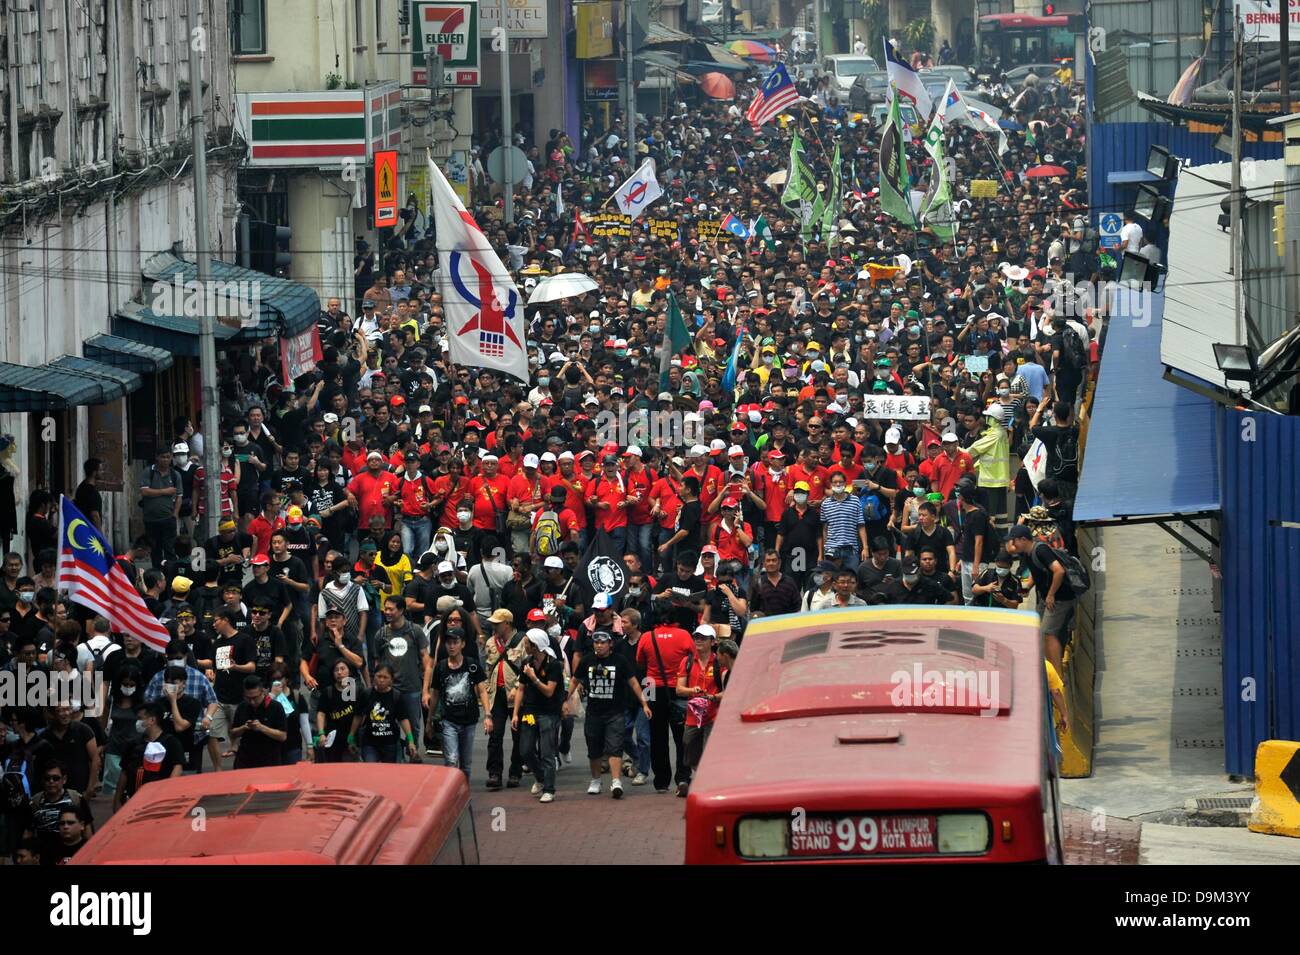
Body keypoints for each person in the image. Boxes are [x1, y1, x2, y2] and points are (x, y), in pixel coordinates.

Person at [568, 630, 651, 799]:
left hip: (615, 713)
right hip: (594, 713)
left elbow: (634, 683)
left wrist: (644, 703)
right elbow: (575, 680)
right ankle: (596, 780)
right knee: (594, 749)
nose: (599, 645)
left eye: (603, 643)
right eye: (596, 643)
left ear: (610, 644)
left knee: (615, 747)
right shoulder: (587, 660)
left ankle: (616, 781)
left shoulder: (620, 661)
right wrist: (565, 699)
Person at [1006, 524, 1077, 677]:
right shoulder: (1026, 552)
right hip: (1047, 597)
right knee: (1039, 631)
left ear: (1023, 539)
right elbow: (1037, 572)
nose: (1012, 545)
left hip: (1060, 598)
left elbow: (1059, 571)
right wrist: (1028, 587)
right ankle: (1047, 667)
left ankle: (1057, 676)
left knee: (1048, 633)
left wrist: (1051, 594)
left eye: (1014, 541)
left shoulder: (1040, 550)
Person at [636, 614, 693, 795]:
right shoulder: (684, 635)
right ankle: (683, 777)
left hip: (651, 686)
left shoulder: (647, 636)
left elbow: (640, 661)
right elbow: (693, 658)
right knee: (681, 737)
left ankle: (661, 781)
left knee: (657, 736)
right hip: (679, 688)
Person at [428, 627, 490, 780]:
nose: (451, 646)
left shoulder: (472, 665)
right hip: (448, 720)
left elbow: (482, 691)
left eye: (455, 642)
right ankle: (450, 795)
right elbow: (435, 694)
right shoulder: (441, 667)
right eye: (448, 642)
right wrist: (429, 720)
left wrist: (488, 715)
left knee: (466, 764)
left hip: (469, 721)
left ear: (462, 644)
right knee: (451, 759)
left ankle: (464, 793)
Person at [512, 629, 563, 803]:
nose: (524, 646)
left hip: (549, 713)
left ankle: (549, 788)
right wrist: (515, 714)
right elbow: (520, 689)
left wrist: (534, 678)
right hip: (530, 713)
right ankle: (540, 777)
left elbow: (549, 691)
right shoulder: (526, 662)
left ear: (535, 646)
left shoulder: (554, 664)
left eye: (527, 643)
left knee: (547, 752)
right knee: (525, 750)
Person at [676, 624, 724, 796]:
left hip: (714, 715)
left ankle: (707, 785)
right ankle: (701, 777)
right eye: (696, 637)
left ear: (713, 641)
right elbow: (679, 689)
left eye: (703, 638)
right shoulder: (687, 661)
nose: (698, 640)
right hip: (692, 716)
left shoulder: (720, 662)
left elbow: (728, 689)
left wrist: (713, 697)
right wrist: (692, 691)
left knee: (709, 750)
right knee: (689, 748)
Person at [482, 609, 527, 789]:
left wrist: (517, 687)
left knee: (519, 736)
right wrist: (486, 688)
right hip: (497, 695)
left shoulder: (522, 641)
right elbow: (487, 667)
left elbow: (526, 666)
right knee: (495, 736)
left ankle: (515, 773)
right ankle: (494, 773)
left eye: (497, 623)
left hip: (515, 695)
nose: (493, 626)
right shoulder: (490, 643)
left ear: (507, 623)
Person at [24, 760, 93, 863]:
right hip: (45, 856)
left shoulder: (76, 799)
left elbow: (87, 831)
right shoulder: (34, 802)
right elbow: (28, 833)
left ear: (64, 779)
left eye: (56, 778)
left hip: (73, 854)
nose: (51, 781)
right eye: (47, 778)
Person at [349, 664, 418, 763]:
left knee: (389, 774)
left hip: (390, 743)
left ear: (391, 680)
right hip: (370, 743)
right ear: (374, 677)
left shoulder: (396, 696)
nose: (381, 680)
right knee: (370, 768)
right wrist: (351, 736)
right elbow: (358, 716)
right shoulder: (366, 694)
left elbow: (403, 719)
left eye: (385, 677)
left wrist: (410, 740)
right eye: (379, 676)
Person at [231, 675, 289, 769]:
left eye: (255, 698)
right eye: (248, 698)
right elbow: (232, 733)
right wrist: (243, 728)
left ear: (262, 691)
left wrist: (262, 728)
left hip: (269, 761)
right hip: (245, 760)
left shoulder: (275, 707)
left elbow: (282, 736)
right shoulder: (242, 707)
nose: (252, 702)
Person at [314, 660, 360, 763]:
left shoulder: (357, 691)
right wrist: (321, 733)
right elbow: (321, 713)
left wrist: (352, 736)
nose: (339, 672)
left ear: (349, 672)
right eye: (336, 670)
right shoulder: (328, 692)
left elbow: (360, 715)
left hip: (351, 739)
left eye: (343, 669)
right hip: (332, 740)